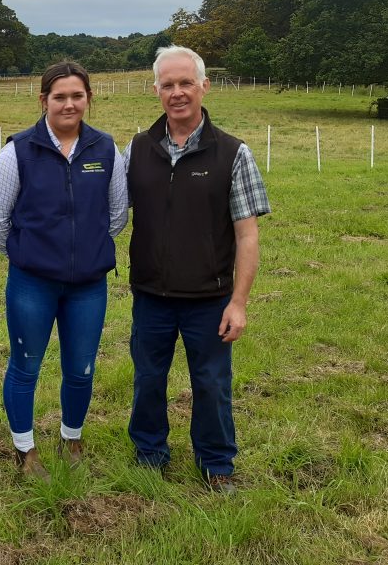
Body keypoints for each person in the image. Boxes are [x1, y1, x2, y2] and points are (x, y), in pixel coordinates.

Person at [124, 45, 270, 494]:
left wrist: (239, 303)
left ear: (204, 86)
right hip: (151, 294)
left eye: (186, 82)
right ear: (156, 91)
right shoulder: (137, 150)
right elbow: (108, 212)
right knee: (148, 378)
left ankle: (217, 463)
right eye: (167, 85)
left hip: (210, 298)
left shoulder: (233, 153)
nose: (177, 92)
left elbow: (247, 235)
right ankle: (150, 453)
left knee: (211, 384)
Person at [0, 61, 128, 480]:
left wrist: (86, 249)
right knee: (25, 365)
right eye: (60, 96)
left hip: (88, 286)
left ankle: (72, 438)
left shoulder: (106, 149)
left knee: (81, 368)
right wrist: (30, 254)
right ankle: (25, 449)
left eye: (77, 96)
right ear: (44, 99)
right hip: (32, 284)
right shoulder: (17, 151)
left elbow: (117, 213)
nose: (69, 104)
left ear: (89, 99)